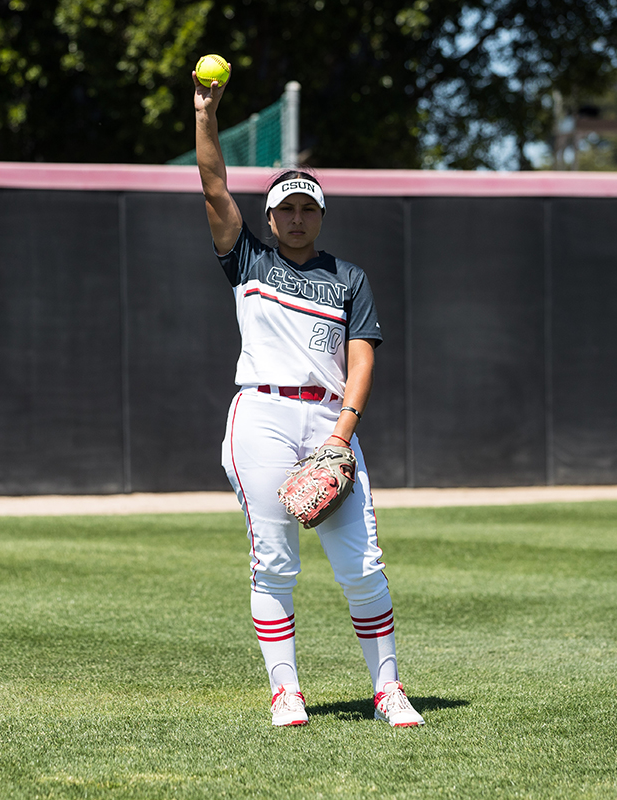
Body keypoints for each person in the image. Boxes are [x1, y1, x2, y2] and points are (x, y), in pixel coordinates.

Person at [193, 73, 425, 727]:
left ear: (321, 215)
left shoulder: (348, 278)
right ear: (269, 217)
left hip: (328, 419)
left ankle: (388, 690)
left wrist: (342, 433)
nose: (297, 218)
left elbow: (362, 357)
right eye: (286, 209)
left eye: (307, 209)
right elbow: (213, 186)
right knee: (274, 562)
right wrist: (205, 115)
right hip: (261, 415)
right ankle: (285, 691)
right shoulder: (249, 262)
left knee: (363, 564)